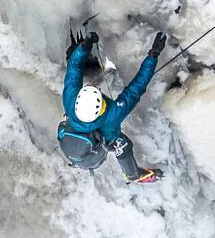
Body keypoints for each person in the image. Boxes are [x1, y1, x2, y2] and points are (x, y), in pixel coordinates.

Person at [57, 29, 166, 185]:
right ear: (100, 107)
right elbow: (136, 88)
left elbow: (74, 68)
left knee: (70, 117)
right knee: (123, 144)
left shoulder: (70, 100)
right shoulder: (112, 116)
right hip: (97, 150)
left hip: (76, 142)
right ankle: (132, 175)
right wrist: (153, 56)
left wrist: (85, 46)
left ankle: (81, 156)